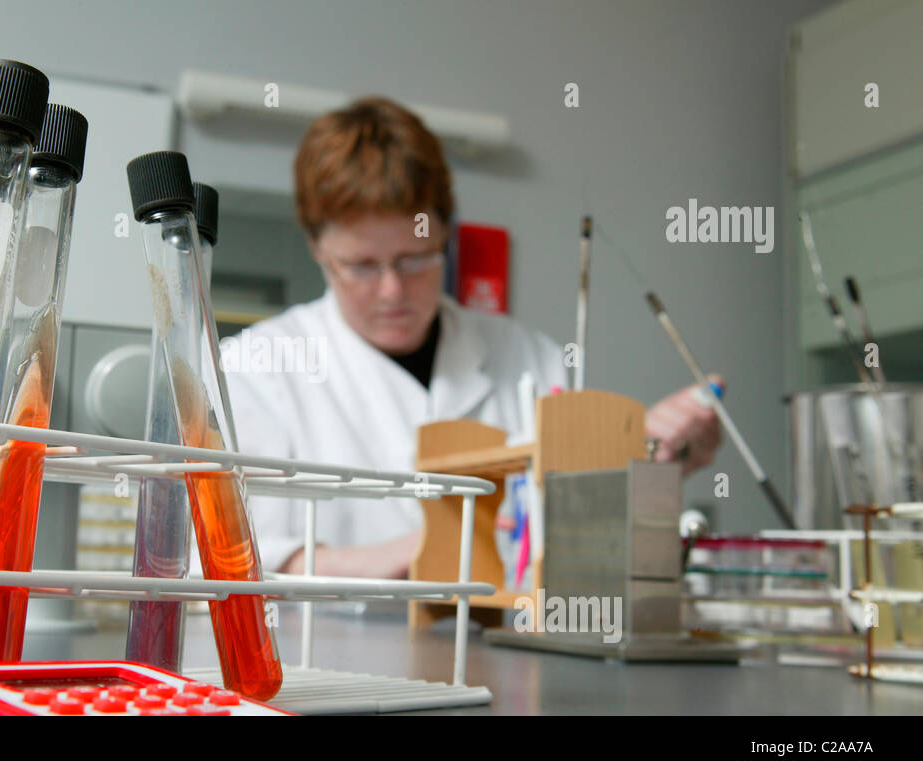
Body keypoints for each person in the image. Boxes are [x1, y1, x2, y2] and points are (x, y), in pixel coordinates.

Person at [221, 96, 722, 579]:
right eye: (362, 266)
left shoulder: (530, 359)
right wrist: (403, 558)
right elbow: (224, 558)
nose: (392, 290)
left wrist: (652, 468)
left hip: (506, 657)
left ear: (445, 234)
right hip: (329, 659)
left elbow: (581, 537)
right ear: (316, 248)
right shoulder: (256, 367)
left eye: (416, 258)